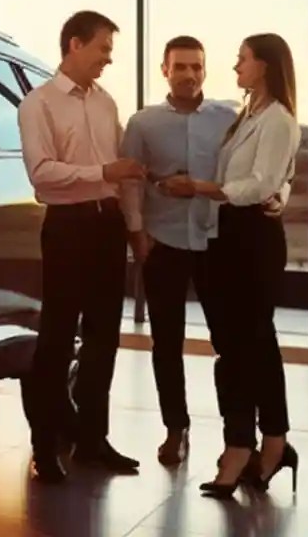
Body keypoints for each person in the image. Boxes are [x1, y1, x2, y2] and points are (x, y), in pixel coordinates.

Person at [120, 36, 288, 467]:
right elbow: (130, 182)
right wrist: (137, 233)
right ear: (164, 70)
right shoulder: (142, 124)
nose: (190, 75)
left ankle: (241, 438)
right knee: (166, 343)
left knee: (231, 344)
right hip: (165, 243)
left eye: (197, 66)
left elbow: (270, 169)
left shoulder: (231, 116)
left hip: (218, 245)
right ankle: (176, 429)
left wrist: (281, 193)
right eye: (180, 67)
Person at [158, 33, 301, 498]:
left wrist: (199, 188)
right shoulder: (245, 116)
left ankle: (272, 441)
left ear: (264, 65)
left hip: (253, 241)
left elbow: (262, 183)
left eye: (242, 58)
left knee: (255, 344)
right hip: (226, 239)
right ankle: (239, 441)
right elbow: (280, 178)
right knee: (231, 349)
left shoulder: (277, 118)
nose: (234, 65)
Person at [18, 10, 145, 483]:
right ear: (75, 44)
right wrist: (102, 174)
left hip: (107, 227)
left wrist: (135, 230)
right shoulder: (38, 104)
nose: (108, 59)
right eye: (103, 49)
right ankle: (45, 447)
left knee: (103, 340)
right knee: (56, 340)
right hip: (67, 227)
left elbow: (124, 173)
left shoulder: (107, 103)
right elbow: (41, 173)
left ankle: (92, 441)